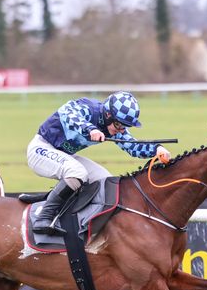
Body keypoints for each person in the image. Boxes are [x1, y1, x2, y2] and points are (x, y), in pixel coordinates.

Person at [26, 91, 171, 235]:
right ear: (108, 115)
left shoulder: (117, 127)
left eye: (124, 126)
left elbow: (133, 147)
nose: (120, 130)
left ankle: (83, 221)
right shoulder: (89, 108)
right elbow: (67, 113)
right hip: (41, 149)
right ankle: (43, 218)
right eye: (118, 125)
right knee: (77, 172)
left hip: (63, 154)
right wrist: (90, 129)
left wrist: (157, 149)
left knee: (106, 181)